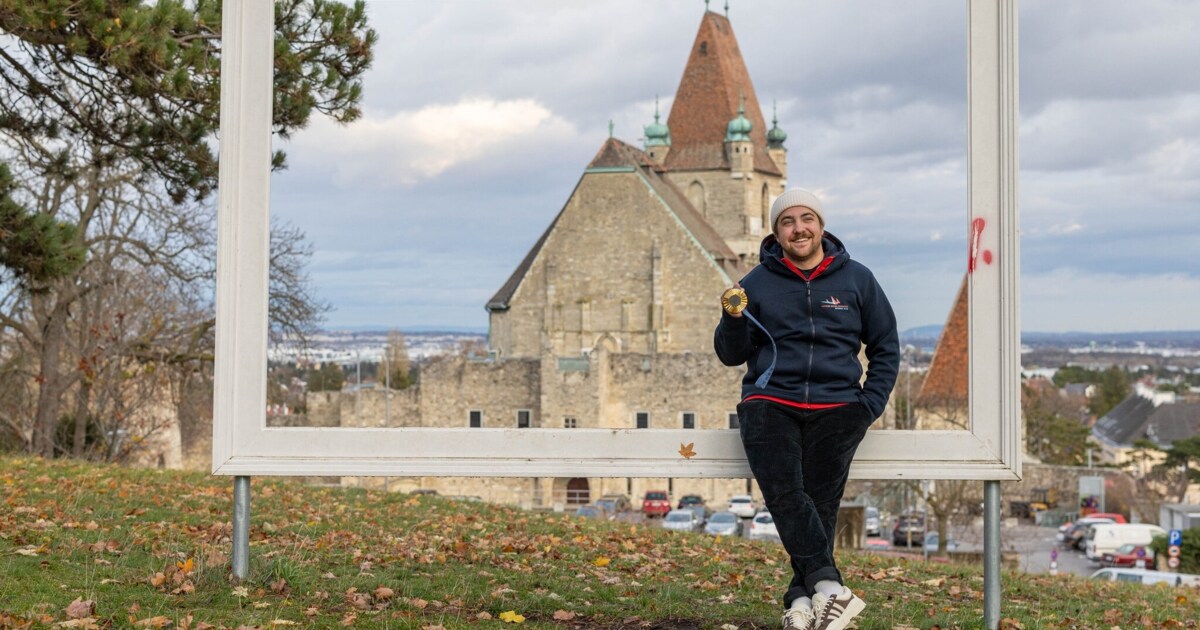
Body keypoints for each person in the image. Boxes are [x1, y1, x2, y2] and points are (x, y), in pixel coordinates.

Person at [714, 188, 898, 630]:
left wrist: (867, 405)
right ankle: (833, 591)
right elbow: (730, 355)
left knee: (817, 506)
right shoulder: (754, 283)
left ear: (820, 225)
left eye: (806, 218)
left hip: (839, 407)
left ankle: (800, 602)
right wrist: (732, 317)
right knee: (785, 495)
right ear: (777, 233)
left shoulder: (857, 279)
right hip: (770, 402)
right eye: (787, 221)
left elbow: (886, 347)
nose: (799, 228)